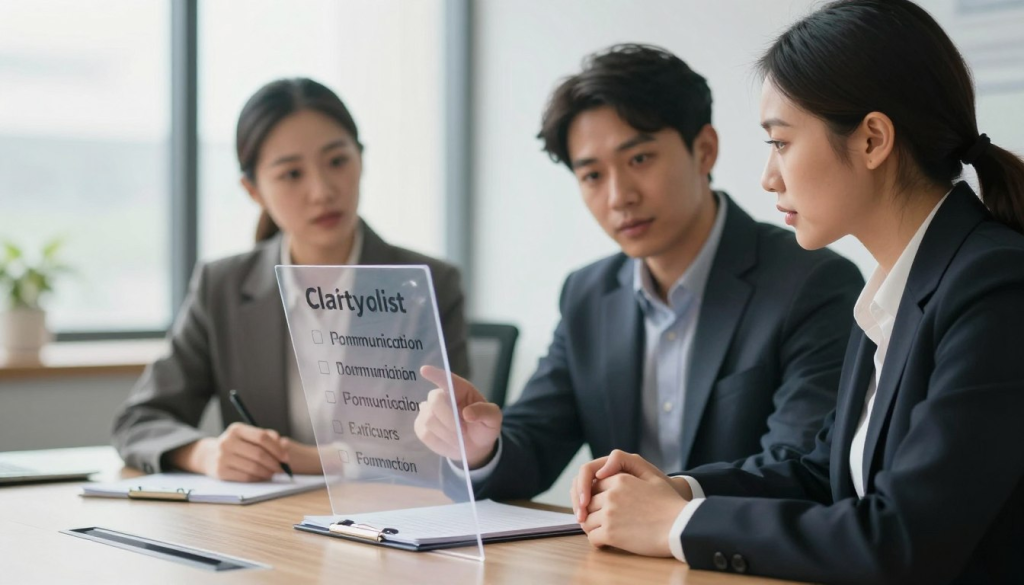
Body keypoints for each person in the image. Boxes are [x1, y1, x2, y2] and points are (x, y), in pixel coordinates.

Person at [570, 2, 1024, 583]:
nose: (768, 176)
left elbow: (904, 537)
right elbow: (821, 475)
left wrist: (676, 525)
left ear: (872, 140)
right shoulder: (898, 285)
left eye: (781, 142)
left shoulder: (993, 287)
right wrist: (676, 489)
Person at [414, 44, 864, 501]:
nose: (618, 196)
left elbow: (801, 468)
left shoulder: (813, 283)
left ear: (704, 150)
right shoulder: (587, 293)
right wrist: (478, 448)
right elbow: (535, 444)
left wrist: (666, 500)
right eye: (592, 176)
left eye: (639, 160)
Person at [113, 78, 469, 481]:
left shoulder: (427, 284)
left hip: (387, 525)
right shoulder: (223, 286)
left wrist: (319, 459)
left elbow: (442, 441)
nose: (321, 191)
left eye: (337, 161)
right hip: (262, 527)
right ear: (253, 190)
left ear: (361, 159)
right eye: (292, 174)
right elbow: (139, 420)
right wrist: (205, 453)